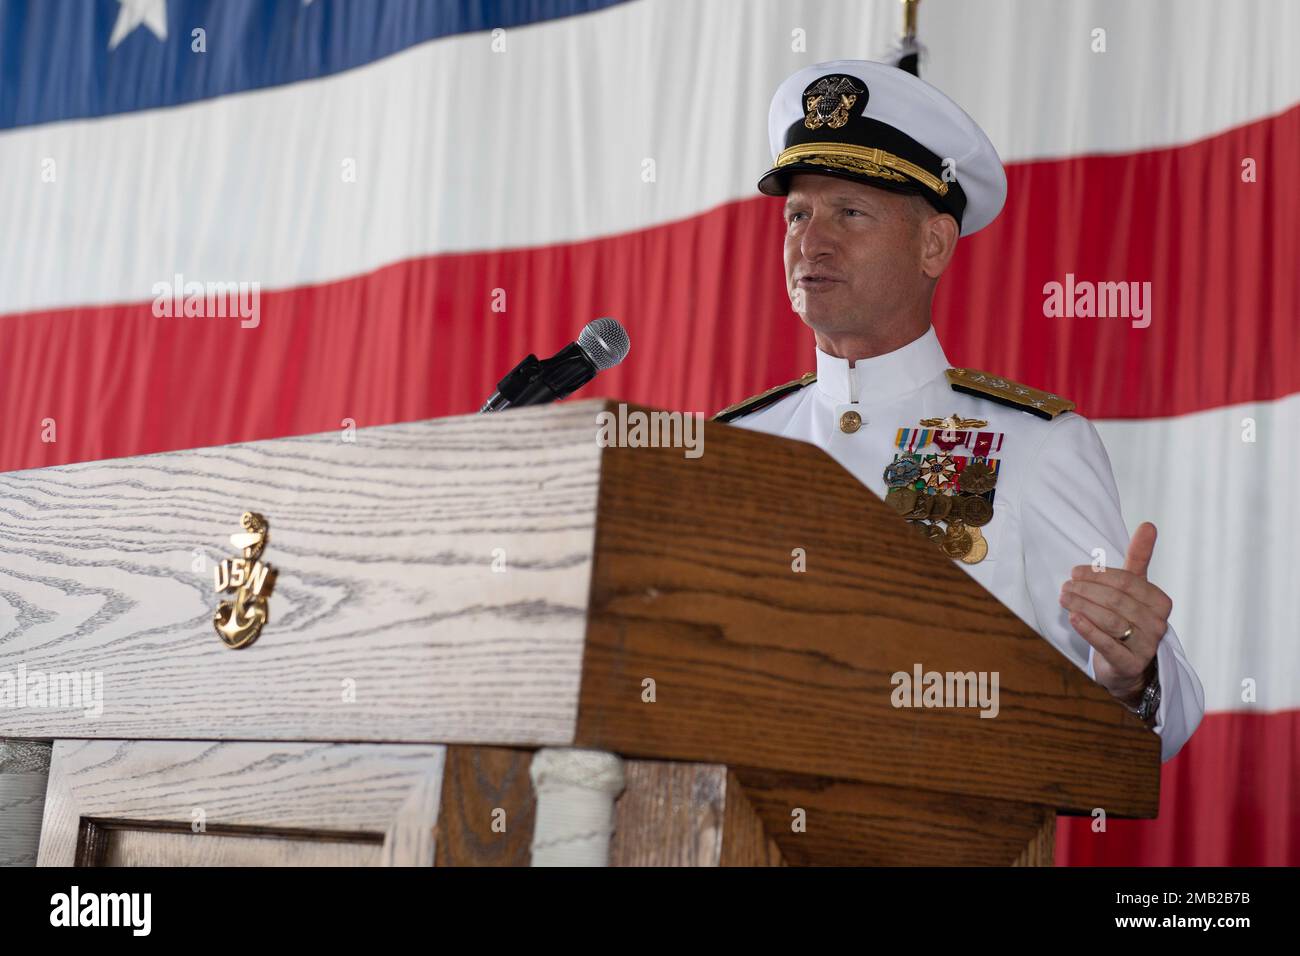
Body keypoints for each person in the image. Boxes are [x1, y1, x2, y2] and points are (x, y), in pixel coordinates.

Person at [715, 60, 1203, 761]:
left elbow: (1165, 721)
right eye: (798, 213)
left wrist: (1131, 676)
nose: (810, 241)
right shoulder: (733, 443)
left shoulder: (1034, 444)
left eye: (849, 212)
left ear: (933, 244)